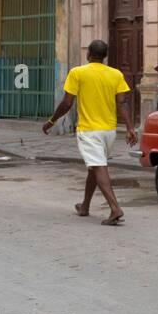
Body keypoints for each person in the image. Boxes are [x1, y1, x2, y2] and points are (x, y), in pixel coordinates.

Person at [43, 40, 138, 226]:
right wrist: (129, 127)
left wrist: (51, 121)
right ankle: (85, 205)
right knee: (94, 167)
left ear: (88, 54)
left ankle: (115, 208)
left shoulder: (78, 73)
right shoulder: (115, 74)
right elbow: (123, 103)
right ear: (105, 56)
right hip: (109, 131)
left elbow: (66, 104)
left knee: (99, 167)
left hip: (89, 130)